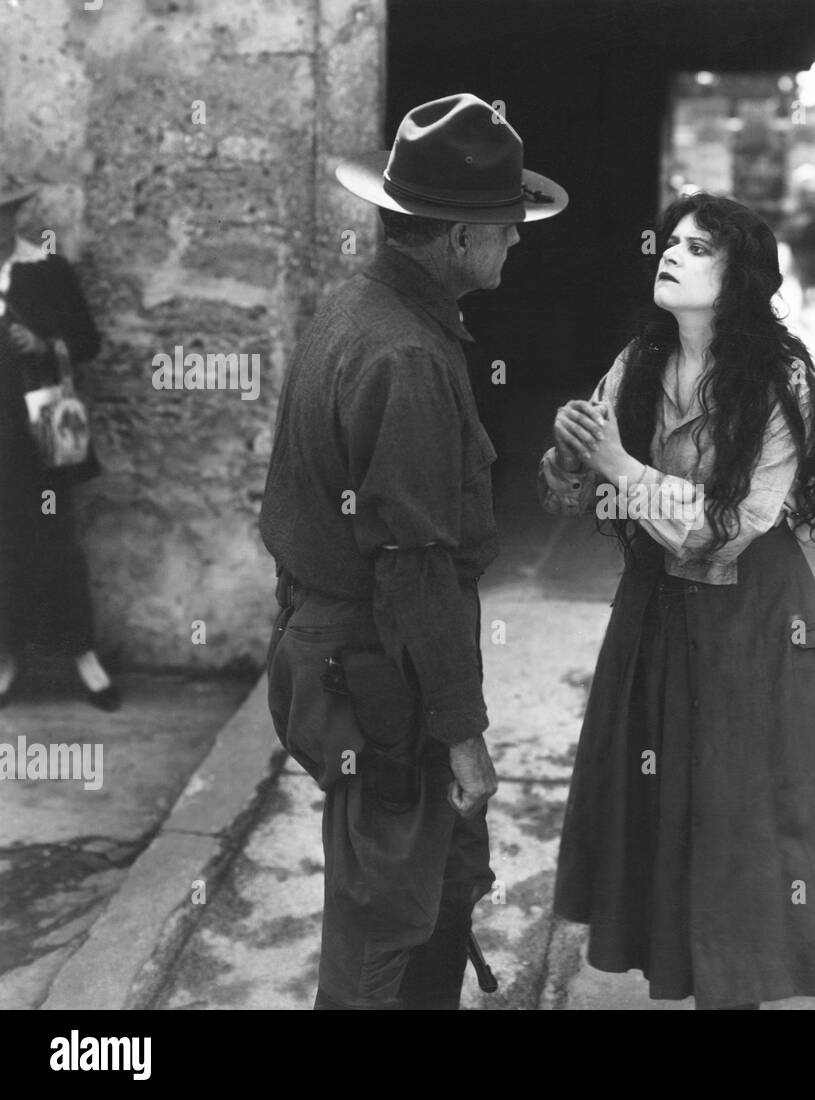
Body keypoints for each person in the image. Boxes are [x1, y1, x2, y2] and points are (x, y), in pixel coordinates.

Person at [259, 95, 567, 1009]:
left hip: (354, 660)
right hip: (378, 672)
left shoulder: (369, 310)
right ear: (461, 235)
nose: (516, 241)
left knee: (436, 886)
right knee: (384, 915)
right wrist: (462, 735)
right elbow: (416, 571)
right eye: (508, 227)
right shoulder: (406, 358)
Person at [540, 192, 815, 1009]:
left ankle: (739, 990)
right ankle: (681, 972)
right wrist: (571, 463)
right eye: (671, 241)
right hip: (654, 615)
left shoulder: (780, 377)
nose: (672, 253)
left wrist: (617, 467)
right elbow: (574, 497)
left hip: (752, 621)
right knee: (659, 802)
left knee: (739, 818)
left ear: (740, 278)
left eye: (699, 248)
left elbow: (729, 529)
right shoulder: (639, 360)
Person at [0, 170, 118, 710]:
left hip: (41, 434)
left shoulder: (46, 271)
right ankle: (6, 659)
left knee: (56, 541)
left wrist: (44, 345)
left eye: (3, 211)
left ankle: (83, 656)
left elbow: (88, 342)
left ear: (15, 215)